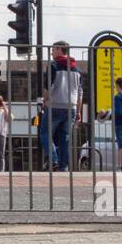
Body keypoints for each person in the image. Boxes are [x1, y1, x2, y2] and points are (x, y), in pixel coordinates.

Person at [40, 41, 82, 171]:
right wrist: (79, 111)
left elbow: (49, 87)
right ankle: (63, 167)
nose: (51, 52)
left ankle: (54, 160)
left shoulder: (53, 65)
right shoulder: (76, 69)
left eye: (53, 49)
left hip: (55, 105)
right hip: (72, 108)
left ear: (59, 49)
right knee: (65, 138)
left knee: (45, 133)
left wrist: (44, 100)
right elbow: (80, 92)